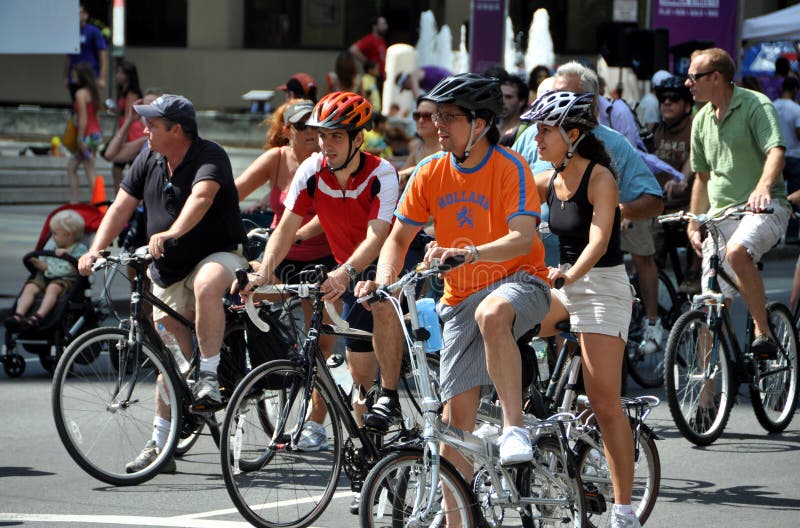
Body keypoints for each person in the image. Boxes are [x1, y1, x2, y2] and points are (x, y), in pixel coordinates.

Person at [355, 73, 552, 480]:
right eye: (436, 115)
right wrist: (385, 281)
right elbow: (398, 237)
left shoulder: (510, 167)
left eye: (449, 116)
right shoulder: (430, 171)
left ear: (479, 123)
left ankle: (514, 427)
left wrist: (470, 253)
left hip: (522, 283)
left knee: (493, 313)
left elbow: (522, 239)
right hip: (461, 298)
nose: (437, 124)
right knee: (453, 430)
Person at [78, 94, 248, 473]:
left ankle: (209, 374)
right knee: (168, 364)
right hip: (167, 269)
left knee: (206, 285)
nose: (145, 130)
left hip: (218, 255)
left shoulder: (209, 155)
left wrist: (172, 232)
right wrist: (95, 250)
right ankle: (162, 446)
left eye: (152, 124)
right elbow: (121, 206)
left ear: (177, 129)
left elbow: (201, 198)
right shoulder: (149, 158)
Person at [238, 91, 400, 447]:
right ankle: (369, 455)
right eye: (322, 135)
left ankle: (391, 395)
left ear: (359, 138)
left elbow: (378, 237)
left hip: (382, 262)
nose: (326, 144)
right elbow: (286, 228)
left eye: (336, 136)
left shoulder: (382, 173)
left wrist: (345, 272)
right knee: (358, 373)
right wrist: (265, 271)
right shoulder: (312, 170)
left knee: (380, 313)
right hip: (346, 266)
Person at [525, 89, 640, 528]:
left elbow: (598, 239)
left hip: (601, 288)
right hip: (563, 282)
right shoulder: (546, 178)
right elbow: (507, 208)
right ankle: (534, 410)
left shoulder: (600, 178)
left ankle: (625, 509)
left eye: (544, 131)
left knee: (604, 402)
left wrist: (570, 274)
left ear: (571, 134)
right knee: (504, 320)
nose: (537, 139)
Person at [513, 62, 665, 353]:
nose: (538, 135)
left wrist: (612, 212)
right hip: (542, 271)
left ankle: (652, 320)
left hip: (591, 280)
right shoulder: (535, 145)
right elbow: (507, 194)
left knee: (596, 391)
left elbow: (653, 201)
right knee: (499, 319)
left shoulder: (608, 156)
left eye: (565, 96)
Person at [686, 47, 791, 359]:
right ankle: (704, 398)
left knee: (737, 251)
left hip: (765, 208)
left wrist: (763, 188)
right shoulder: (701, 119)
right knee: (710, 304)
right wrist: (694, 221)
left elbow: (776, 152)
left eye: (694, 77)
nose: (687, 83)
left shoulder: (755, 104)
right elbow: (702, 177)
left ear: (716, 77)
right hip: (721, 217)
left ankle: (763, 331)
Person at [652, 75, 701, 292]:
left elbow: (694, 158)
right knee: (647, 253)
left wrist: (681, 178)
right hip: (659, 205)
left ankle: (694, 275)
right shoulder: (654, 130)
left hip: (688, 203)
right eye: (663, 99)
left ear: (687, 104)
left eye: (674, 98)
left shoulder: (695, 128)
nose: (667, 103)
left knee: (700, 226)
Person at [4, 210, 88, 332]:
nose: (52, 237)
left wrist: (48, 265)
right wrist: (37, 263)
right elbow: (45, 262)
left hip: (65, 280)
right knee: (31, 286)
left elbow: (71, 269)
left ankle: (38, 316)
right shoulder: (53, 247)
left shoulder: (79, 249)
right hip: (46, 277)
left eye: (55, 234)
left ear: (68, 235)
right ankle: (18, 315)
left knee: (53, 288)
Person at [67, 62, 103, 204]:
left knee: (75, 168)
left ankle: (79, 201)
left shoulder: (80, 93)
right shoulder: (93, 93)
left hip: (87, 135)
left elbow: (83, 117)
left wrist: (80, 137)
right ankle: (93, 201)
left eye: (74, 74)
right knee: (86, 167)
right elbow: (97, 116)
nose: (72, 77)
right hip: (95, 135)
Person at [105, 60, 144, 189]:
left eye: (120, 72)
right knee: (118, 168)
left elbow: (130, 115)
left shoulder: (132, 93)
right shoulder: (125, 91)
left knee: (129, 167)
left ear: (128, 75)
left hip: (132, 132)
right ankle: (121, 198)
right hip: (128, 130)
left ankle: (126, 199)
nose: (117, 75)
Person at [103, 88, 163, 166]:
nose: (148, 114)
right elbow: (110, 155)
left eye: (153, 107)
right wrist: (129, 120)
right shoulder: (146, 142)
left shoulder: (174, 142)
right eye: (145, 108)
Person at [773, 77, 800, 242]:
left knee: (775, 195)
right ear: (795, 89)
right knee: (794, 198)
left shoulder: (771, 106)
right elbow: (799, 133)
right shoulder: (796, 109)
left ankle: (773, 236)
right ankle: (791, 235)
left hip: (776, 157)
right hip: (795, 156)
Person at [64, 3, 108, 100]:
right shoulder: (71, 32)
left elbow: (102, 55)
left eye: (79, 13)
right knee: (76, 102)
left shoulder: (94, 31)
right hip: (75, 75)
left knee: (88, 102)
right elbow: (68, 57)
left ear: (85, 15)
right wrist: (66, 77)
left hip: (90, 74)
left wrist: (102, 77)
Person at [397, 97, 440, 186]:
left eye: (427, 116)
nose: (420, 120)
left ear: (439, 118)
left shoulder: (448, 147)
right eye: (417, 115)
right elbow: (401, 174)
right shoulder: (416, 146)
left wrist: (416, 170)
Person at [349, 16, 388, 83]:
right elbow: (353, 49)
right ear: (375, 26)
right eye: (383, 24)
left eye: (385, 23)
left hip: (381, 75)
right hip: (373, 77)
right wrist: (367, 62)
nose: (386, 26)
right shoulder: (369, 39)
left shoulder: (382, 40)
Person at [497, 74, 530, 147]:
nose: (502, 101)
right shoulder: (489, 130)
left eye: (508, 97)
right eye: (500, 95)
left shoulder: (526, 133)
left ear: (521, 102)